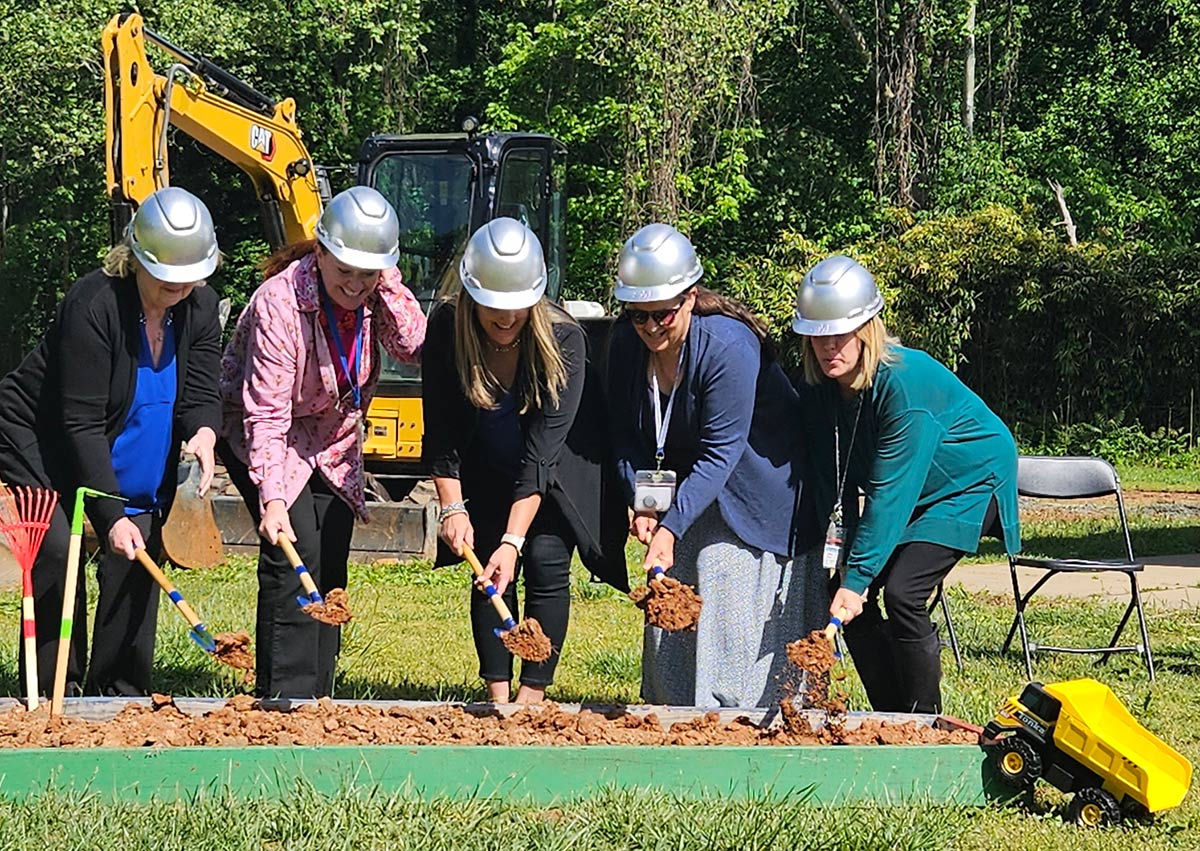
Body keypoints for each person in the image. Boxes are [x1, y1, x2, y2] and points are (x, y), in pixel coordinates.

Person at [0, 186, 223, 697]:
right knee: (58, 546)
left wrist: (204, 434)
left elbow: (200, 394)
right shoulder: (93, 305)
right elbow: (78, 424)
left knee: (137, 549)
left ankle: (120, 688)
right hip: (41, 437)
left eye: (191, 277)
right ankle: (57, 687)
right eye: (168, 277)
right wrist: (110, 516)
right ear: (137, 258)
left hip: (127, 442)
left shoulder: (200, 307)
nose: (180, 287)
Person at [218, 186, 426, 699]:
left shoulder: (376, 291)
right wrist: (270, 497)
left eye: (368, 272)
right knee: (294, 548)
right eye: (345, 271)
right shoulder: (280, 303)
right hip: (269, 430)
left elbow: (417, 347)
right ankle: (285, 695)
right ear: (320, 251)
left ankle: (320, 691)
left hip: (331, 433)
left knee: (330, 553)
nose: (355, 285)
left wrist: (388, 284)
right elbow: (265, 412)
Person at [607, 223, 827, 708]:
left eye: (661, 315)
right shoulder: (627, 344)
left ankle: (733, 715)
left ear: (689, 298)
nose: (649, 328)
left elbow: (721, 451)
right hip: (692, 488)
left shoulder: (728, 345)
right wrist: (644, 504)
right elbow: (625, 433)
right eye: (637, 315)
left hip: (760, 492)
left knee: (719, 571)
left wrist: (671, 527)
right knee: (667, 582)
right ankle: (671, 709)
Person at [792, 254, 1021, 713]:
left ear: (867, 331)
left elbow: (889, 495)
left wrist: (857, 579)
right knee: (845, 595)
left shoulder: (904, 385)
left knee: (902, 593)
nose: (828, 347)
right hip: (908, 490)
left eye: (840, 335)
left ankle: (921, 724)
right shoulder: (820, 391)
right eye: (817, 336)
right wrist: (840, 566)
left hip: (967, 484)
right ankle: (890, 716)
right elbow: (829, 484)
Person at [422, 218, 628, 704]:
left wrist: (514, 540)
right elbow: (442, 433)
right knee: (486, 568)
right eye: (494, 305)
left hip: (557, 472)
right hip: (486, 464)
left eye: (519, 305)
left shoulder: (565, 341)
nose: (507, 316)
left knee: (544, 559)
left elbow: (542, 455)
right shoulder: (447, 331)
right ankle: (497, 696)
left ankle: (532, 696)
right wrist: (452, 509)